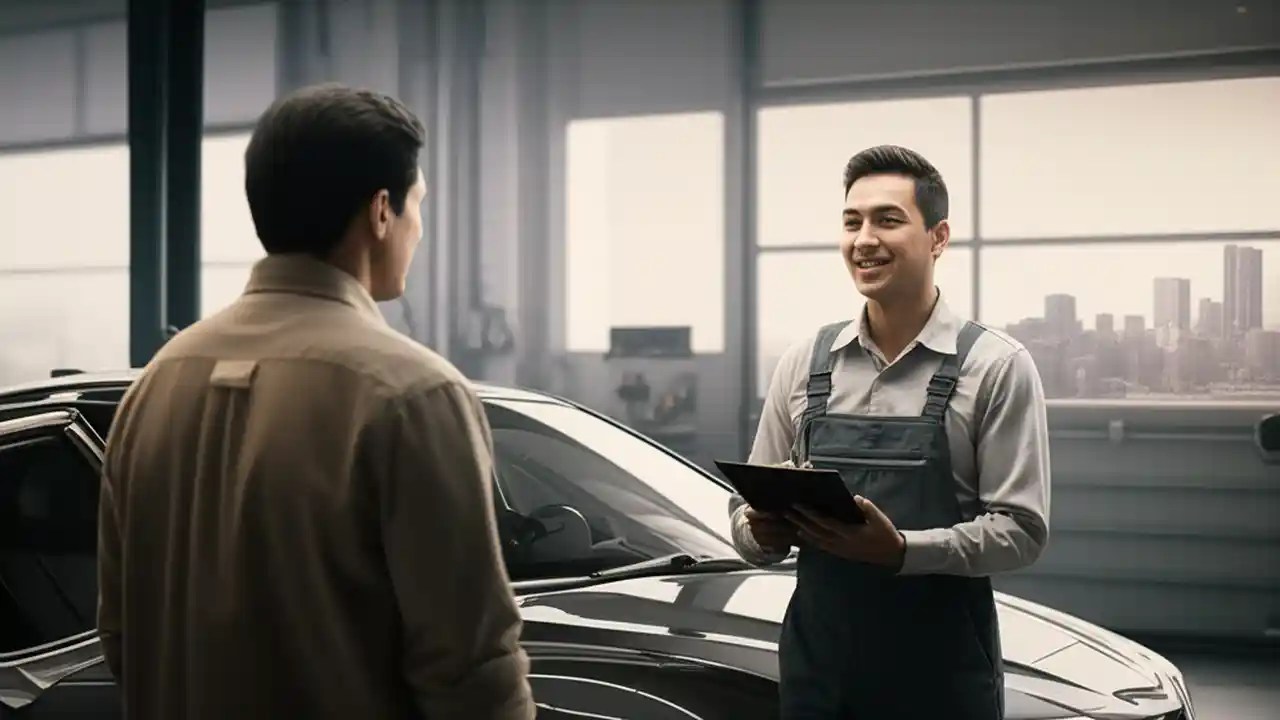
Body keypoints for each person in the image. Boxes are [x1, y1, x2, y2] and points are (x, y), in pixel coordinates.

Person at [97, 83, 535, 720]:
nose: (418, 229)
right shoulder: (411, 394)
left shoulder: (158, 383)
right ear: (381, 212)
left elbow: (122, 636)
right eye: (417, 205)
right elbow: (469, 671)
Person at [730, 145, 1051, 718]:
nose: (863, 239)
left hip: (938, 672)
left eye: (887, 220)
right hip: (817, 670)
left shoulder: (995, 366)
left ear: (938, 237)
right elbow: (745, 513)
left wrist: (900, 550)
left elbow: (1021, 530)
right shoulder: (804, 362)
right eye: (851, 222)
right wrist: (762, 530)